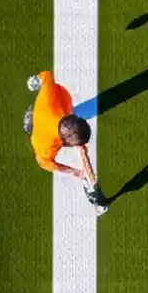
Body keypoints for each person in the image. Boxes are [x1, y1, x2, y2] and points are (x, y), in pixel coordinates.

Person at [24, 71, 107, 212]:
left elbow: (46, 76)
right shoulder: (45, 147)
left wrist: (36, 81)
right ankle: (32, 120)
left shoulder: (49, 94)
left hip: (55, 104)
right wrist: (75, 171)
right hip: (43, 126)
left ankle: (33, 115)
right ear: (67, 143)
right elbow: (45, 163)